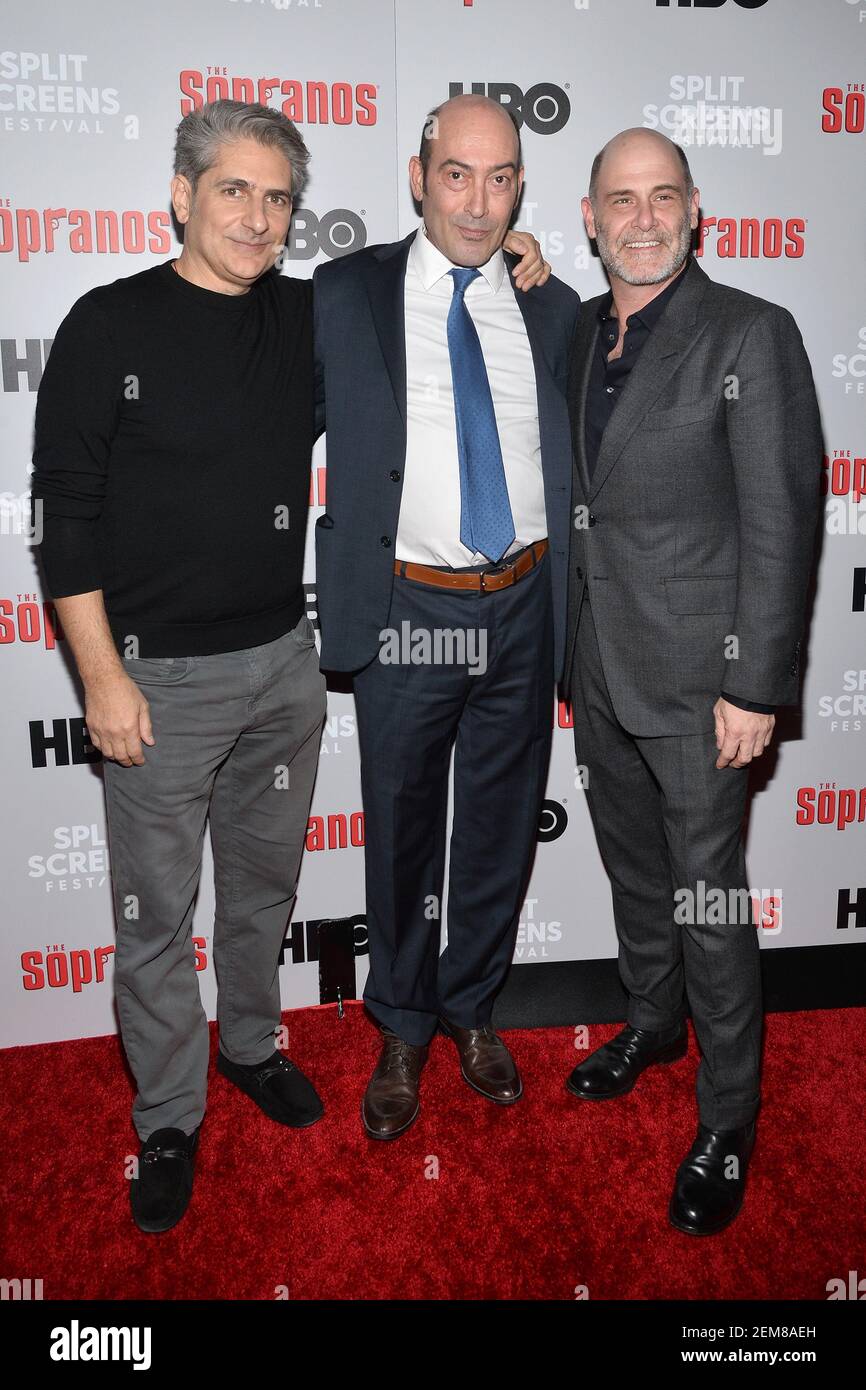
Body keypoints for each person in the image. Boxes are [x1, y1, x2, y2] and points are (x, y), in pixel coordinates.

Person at [30, 98, 549, 1229]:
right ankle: (166, 1114)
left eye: (276, 198)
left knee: (260, 892)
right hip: (152, 676)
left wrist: (509, 256)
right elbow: (64, 515)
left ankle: (254, 1046)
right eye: (233, 191)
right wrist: (100, 677)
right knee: (156, 917)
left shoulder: (312, 314)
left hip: (282, 664)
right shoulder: (103, 325)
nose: (257, 218)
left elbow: (432, 301)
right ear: (181, 194)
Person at [562, 127, 821, 1234]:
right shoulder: (574, 333)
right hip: (597, 674)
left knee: (708, 899)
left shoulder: (750, 332)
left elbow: (781, 523)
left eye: (661, 195)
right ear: (588, 217)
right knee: (634, 876)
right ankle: (649, 1021)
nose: (641, 215)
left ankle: (726, 1117)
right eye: (619, 198)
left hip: (703, 685)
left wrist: (754, 688)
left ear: (695, 206)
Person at [313, 93, 580, 1139]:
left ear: (521, 186)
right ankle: (403, 1023)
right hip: (407, 607)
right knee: (404, 830)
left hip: (521, 599)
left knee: (500, 826)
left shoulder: (553, 309)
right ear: (417, 176)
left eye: (500, 176)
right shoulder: (344, 293)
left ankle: (471, 1007)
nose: (477, 200)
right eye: (457, 173)